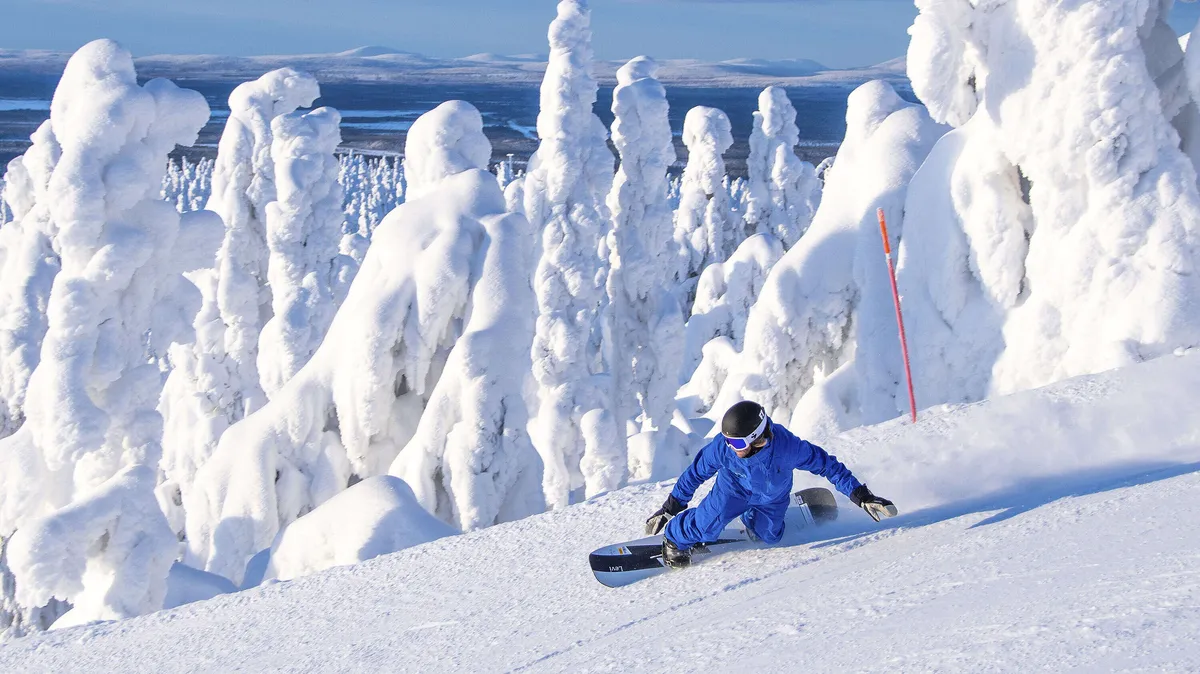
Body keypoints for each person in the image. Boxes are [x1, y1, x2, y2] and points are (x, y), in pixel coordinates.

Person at [645, 400, 896, 568]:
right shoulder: (724, 449)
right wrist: (672, 506)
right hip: (732, 491)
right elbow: (696, 473)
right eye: (729, 442)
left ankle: (752, 520)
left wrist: (861, 495)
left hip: (771, 498)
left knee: (769, 536)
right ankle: (675, 537)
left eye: (738, 444)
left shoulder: (789, 448)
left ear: (756, 439)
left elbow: (827, 465)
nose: (732, 449)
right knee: (707, 526)